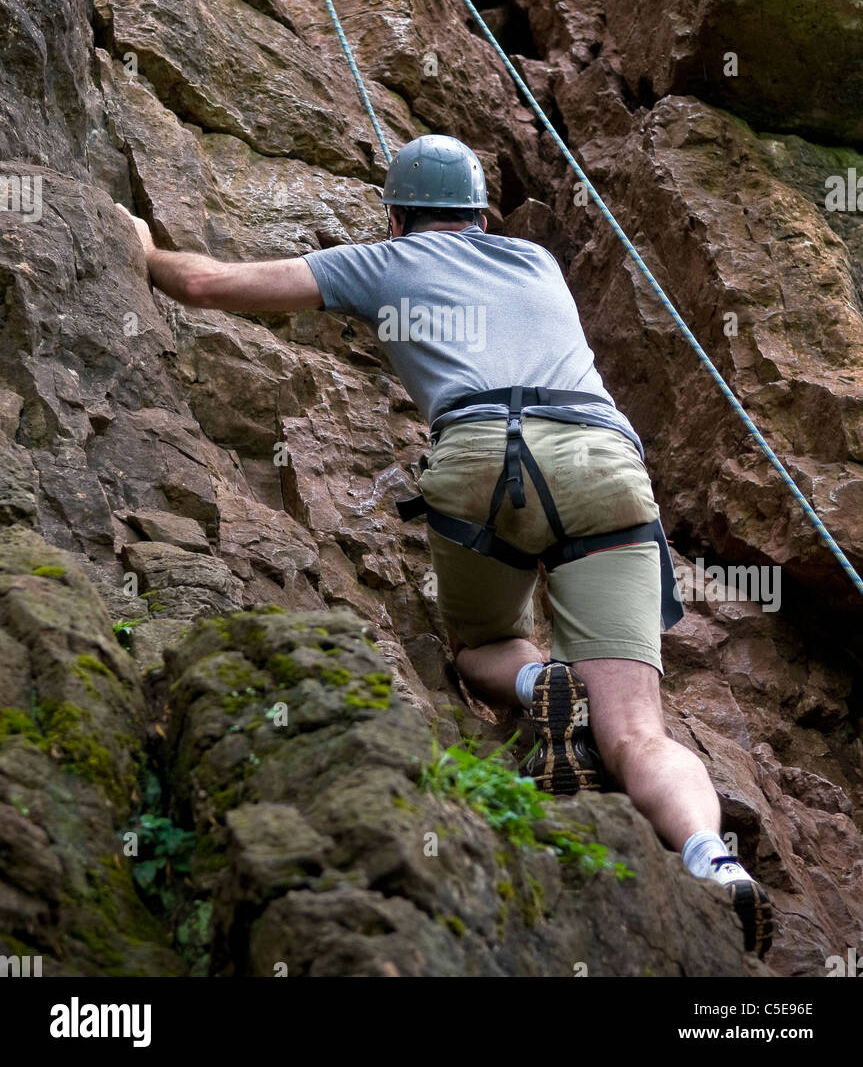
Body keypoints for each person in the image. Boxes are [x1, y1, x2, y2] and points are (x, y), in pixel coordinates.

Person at [117, 133, 772, 957]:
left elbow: (209, 285)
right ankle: (712, 863)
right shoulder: (535, 262)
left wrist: (142, 247)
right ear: (479, 213)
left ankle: (539, 678)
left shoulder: (382, 263)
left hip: (475, 462)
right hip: (600, 460)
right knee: (636, 731)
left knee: (481, 646)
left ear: (395, 215)